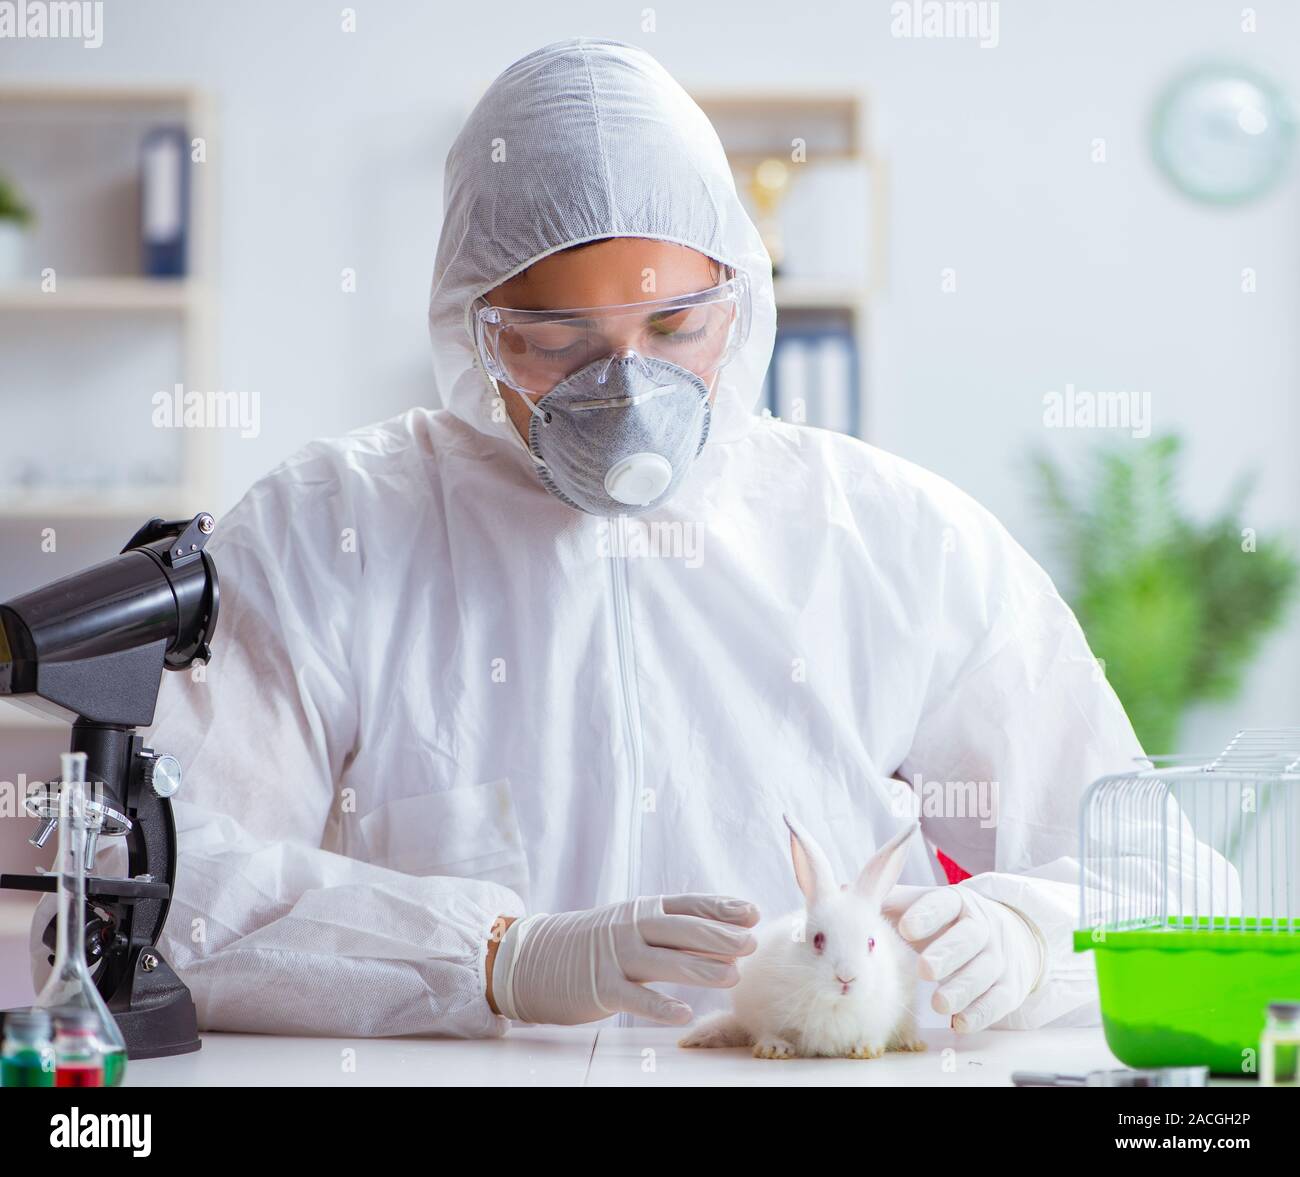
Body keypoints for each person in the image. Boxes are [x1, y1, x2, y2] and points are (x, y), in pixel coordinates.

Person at [40, 38, 1150, 1039]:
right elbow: (151, 886)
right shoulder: (330, 527)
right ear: (473, 327)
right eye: (557, 340)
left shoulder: (898, 539)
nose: (628, 388)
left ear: (744, 299)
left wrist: (1029, 934)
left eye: (675, 325)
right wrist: (492, 958)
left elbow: (1152, 866)